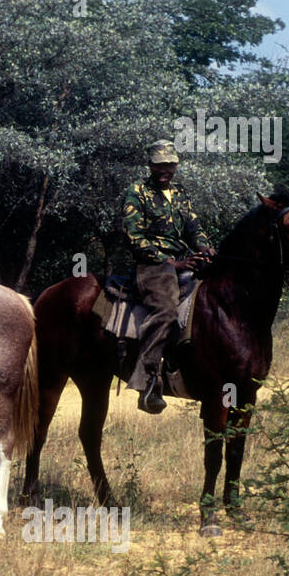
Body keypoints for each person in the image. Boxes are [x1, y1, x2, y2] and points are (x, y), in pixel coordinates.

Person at [120, 139, 214, 414]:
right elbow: (133, 236)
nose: (165, 170)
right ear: (150, 165)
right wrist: (170, 262)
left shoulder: (180, 193)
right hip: (152, 265)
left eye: (169, 165)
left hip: (184, 258)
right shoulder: (137, 192)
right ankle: (148, 381)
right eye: (160, 165)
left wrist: (204, 247)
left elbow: (194, 228)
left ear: (175, 166)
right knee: (166, 311)